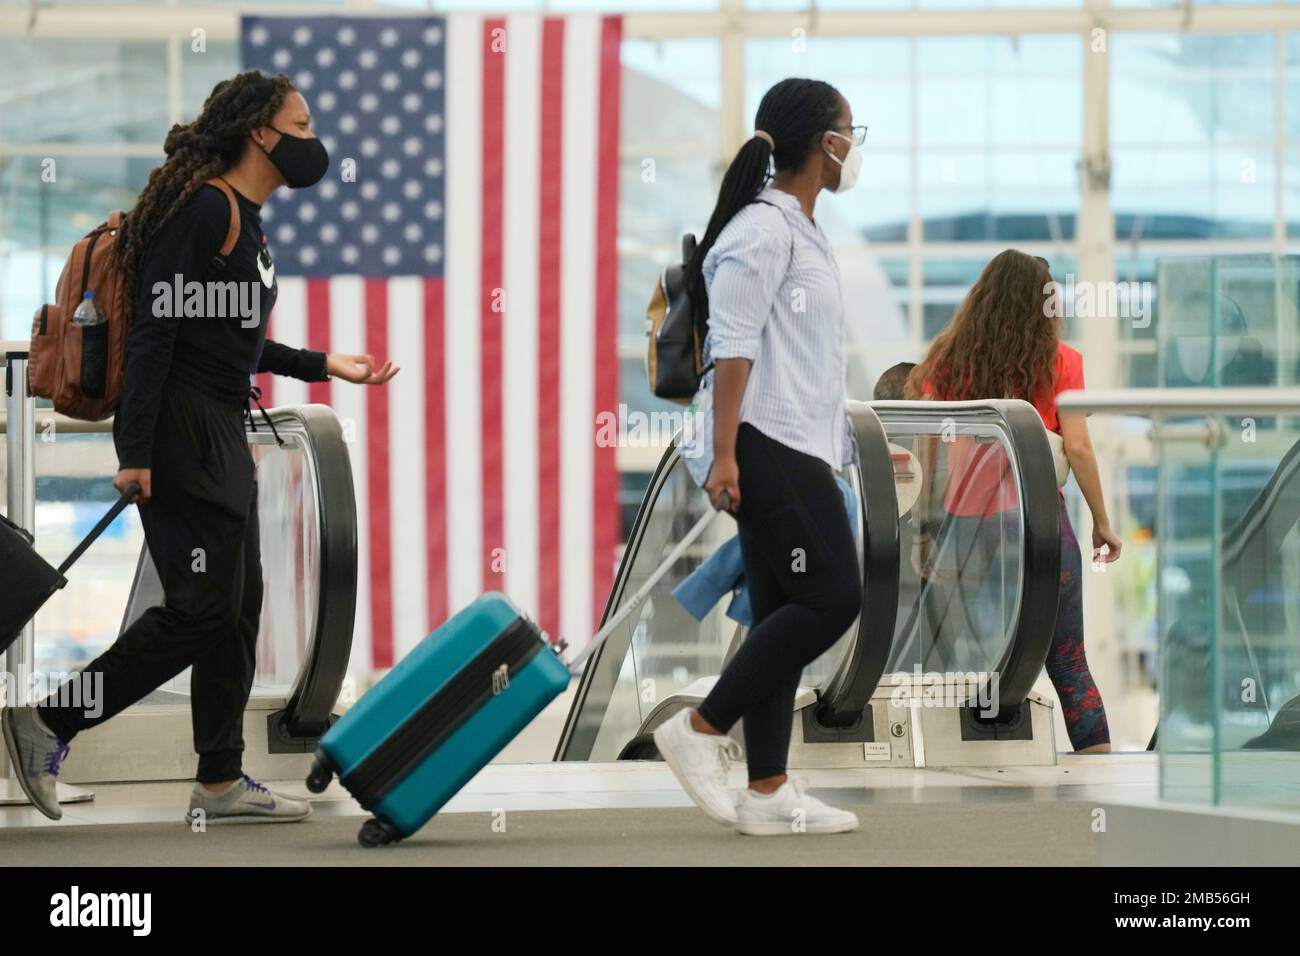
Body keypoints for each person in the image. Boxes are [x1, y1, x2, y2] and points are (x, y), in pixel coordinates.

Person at [2, 70, 398, 823]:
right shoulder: (206, 209)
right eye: (304, 126)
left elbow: (227, 338)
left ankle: (219, 778)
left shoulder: (242, 217)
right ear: (260, 132)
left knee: (237, 604)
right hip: (183, 432)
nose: (315, 142)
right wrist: (139, 451)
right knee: (201, 608)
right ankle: (48, 722)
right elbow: (154, 334)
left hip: (215, 422)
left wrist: (323, 365)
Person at [652, 78, 865, 836]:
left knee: (782, 607)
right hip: (763, 445)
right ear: (823, 142)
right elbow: (733, 347)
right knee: (833, 597)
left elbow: (798, 356)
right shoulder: (763, 230)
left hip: (796, 443)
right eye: (850, 130)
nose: (855, 146)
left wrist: (841, 448)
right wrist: (727, 455)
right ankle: (700, 730)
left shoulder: (801, 229)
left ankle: (768, 790)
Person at [906, 249, 1119, 752]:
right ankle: (1099, 776)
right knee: (1067, 660)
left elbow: (926, 446)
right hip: (1041, 523)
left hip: (967, 530)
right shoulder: (1063, 362)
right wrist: (1101, 523)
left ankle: (970, 771)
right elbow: (1079, 448)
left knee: (965, 659)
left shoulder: (946, 360)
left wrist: (922, 529)